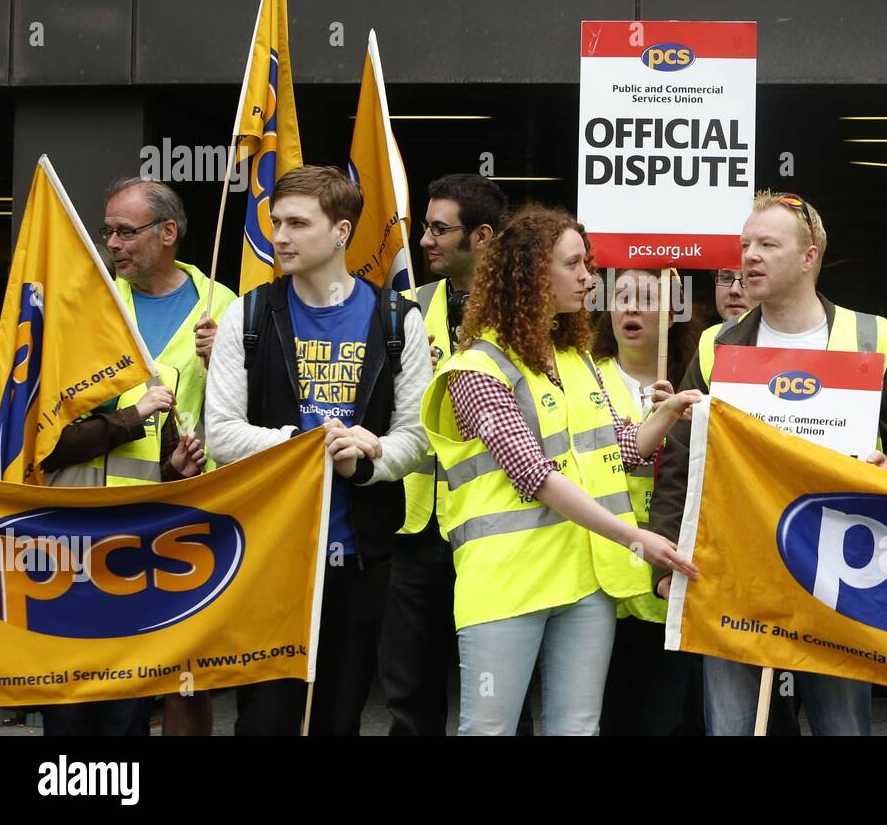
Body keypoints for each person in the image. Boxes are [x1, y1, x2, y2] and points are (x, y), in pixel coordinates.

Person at [648, 190, 887, 736]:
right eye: (745, 245)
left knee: (842, 726)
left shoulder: (871, 337)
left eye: (767, 245)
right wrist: (665, 567)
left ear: (809, 256)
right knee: (732, 727)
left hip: (839, 571)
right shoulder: (716, 345)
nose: (748, 257)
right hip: (734, 572)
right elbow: (681, 463)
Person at [421, 205, 700, 735]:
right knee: (489, 727)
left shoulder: (576, 358)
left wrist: (663, 415)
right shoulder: (475, 368)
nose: (588, 278)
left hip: (584, 581)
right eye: (574, 265)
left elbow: (622, 448)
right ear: (530, 276)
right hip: (507, 584)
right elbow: (534, 474)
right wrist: (635, 538)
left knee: (576, 728)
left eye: (587, 264)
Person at [205, 165, 430, 735]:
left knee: (339, 715)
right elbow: (222, 435)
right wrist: (304, 445)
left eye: (298, 223)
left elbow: (418, 438)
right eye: (276, 221)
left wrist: (369, 456)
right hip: (266, 553)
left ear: (341, 232)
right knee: (265, 719)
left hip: (358, 556)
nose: (280, 236)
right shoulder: (248, 315)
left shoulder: (397, 318)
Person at [41, 176, 232, 737]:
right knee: (71, 690)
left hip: (172, 526)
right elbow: (49, 423)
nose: (113, 244)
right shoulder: (90, 301)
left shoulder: (226, 306)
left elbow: (247, 414)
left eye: (125, 232)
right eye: (108, 232)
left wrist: (229, 360)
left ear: (168, 232)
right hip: (76, 529)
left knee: (150, 687)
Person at [380, 173, 506, 736]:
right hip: (414, 524)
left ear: (481, 237)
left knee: (500, 683)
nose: (425, 240)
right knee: (409, 687)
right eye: (424, 228)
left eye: (439, 229)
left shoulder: (527, 311)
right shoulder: (405, 307)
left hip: (493, 524)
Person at [592, 268, 706, 735]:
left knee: (670, 715)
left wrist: (684, 419)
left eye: (645, 297)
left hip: (672, 573)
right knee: (610, 715)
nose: (631, 307)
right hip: (602, 575)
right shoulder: (581, 376)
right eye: (620, 296)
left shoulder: (696, 380)